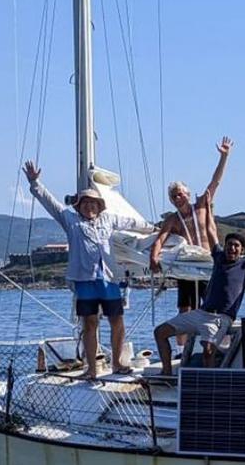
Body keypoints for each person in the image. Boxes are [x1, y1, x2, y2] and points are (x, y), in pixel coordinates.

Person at [22, 160, 154, 378]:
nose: (89, 206)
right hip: (84, 281)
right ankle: (91, 368)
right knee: (90, 323)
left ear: (99, 206)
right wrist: (35, 182)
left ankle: (118, 363)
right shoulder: (71, 220)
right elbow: (51, 204)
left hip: (109, 279)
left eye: (93, 203)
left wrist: (151, 228)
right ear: (79, 205)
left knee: (117, 321)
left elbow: (130, 223)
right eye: (85, 203)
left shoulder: (109, 219)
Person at [154, 204, 245, 376]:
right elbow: (210, 231)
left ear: (242, 250)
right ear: (225, 247)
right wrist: (207, 208)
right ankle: (166, 373)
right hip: (201, 313)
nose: (232, 248)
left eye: (236, 246)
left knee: (208, 351)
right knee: (160, 332)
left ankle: (209, 388)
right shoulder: (218, 258)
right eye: (229, 245)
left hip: (220, 318)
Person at [149, 136, 233, 345]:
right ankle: (182, 349)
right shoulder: (173, 220)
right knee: (185, 308)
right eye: (174, 197)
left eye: (181, 194)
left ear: (187, 193)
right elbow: (160, 238)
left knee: (213, 306)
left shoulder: (202, 206)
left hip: (208, 261)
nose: (178, 198)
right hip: (187, 265)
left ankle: (220, 344)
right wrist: (154, 257)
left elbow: (216, 182)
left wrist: (224, 157)